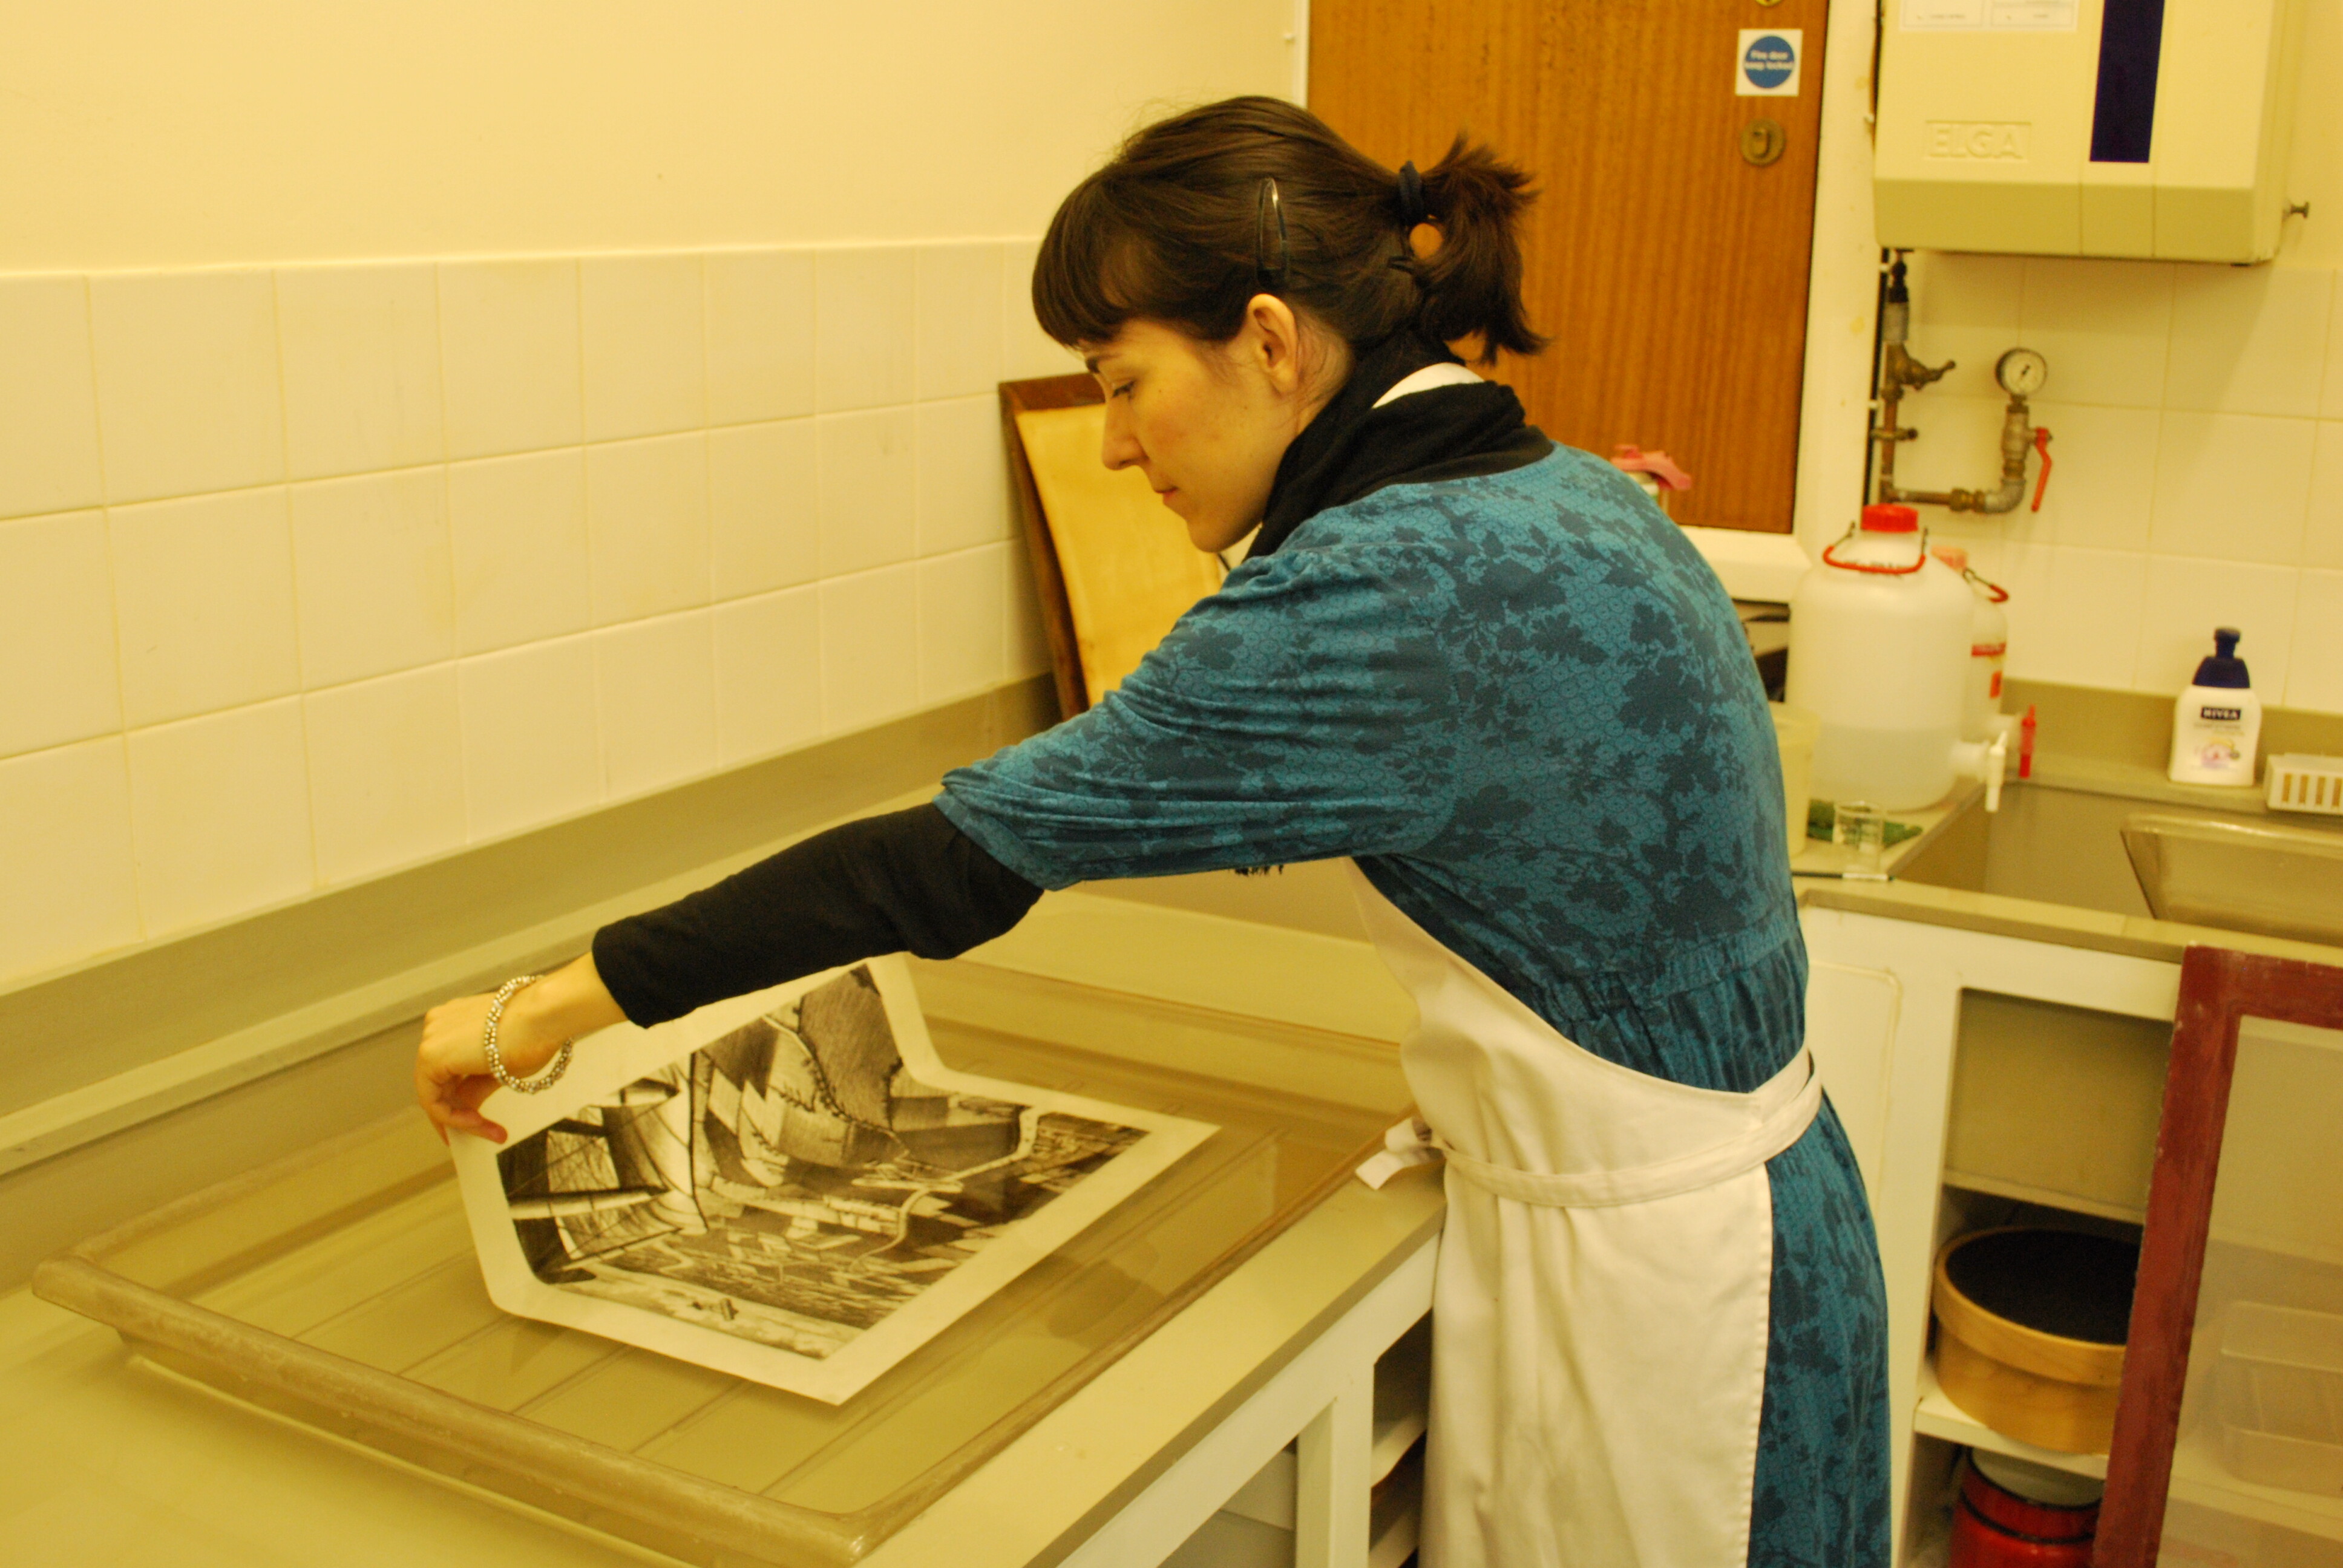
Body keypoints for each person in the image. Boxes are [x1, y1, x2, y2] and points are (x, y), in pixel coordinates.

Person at [416, 96, 1889, 1568]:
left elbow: (942, 868)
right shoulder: (1567, 492)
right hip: (1761, 1208)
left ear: (1265, 337)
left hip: (1659, 1306)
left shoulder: (1381, 590)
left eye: (1122, 384)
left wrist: (535, 1013)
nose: (1112, 445)